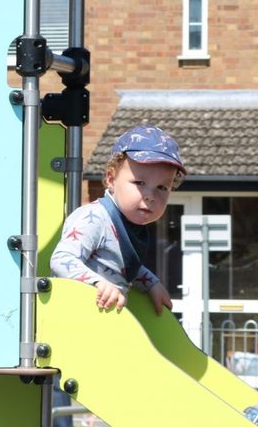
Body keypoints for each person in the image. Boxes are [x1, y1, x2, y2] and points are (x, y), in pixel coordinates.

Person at [50, 125, 185, 315]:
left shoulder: (130, 225)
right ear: (111, 179)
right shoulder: (96, 218)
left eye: (162, 188)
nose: (150, 196)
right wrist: (97, 283)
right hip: (74, 318)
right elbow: (61, 260)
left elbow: (122, 266)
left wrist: (151, 282)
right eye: (139, 183)